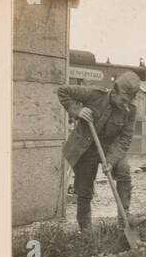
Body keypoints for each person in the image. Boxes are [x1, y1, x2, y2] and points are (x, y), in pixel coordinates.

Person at [56, 70, 140, 232]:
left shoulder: (131, 110)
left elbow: (125, 138)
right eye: (123, 100)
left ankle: (124, 219)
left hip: (110, 147)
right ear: (114, 92)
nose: (125, 105)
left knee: (123, 171)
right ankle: (85, 230)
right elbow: (63, 90)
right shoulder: (94, 95)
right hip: (85, 147)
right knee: (84, 189)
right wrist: (77, 110)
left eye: (129, 102)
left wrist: (111, 160)